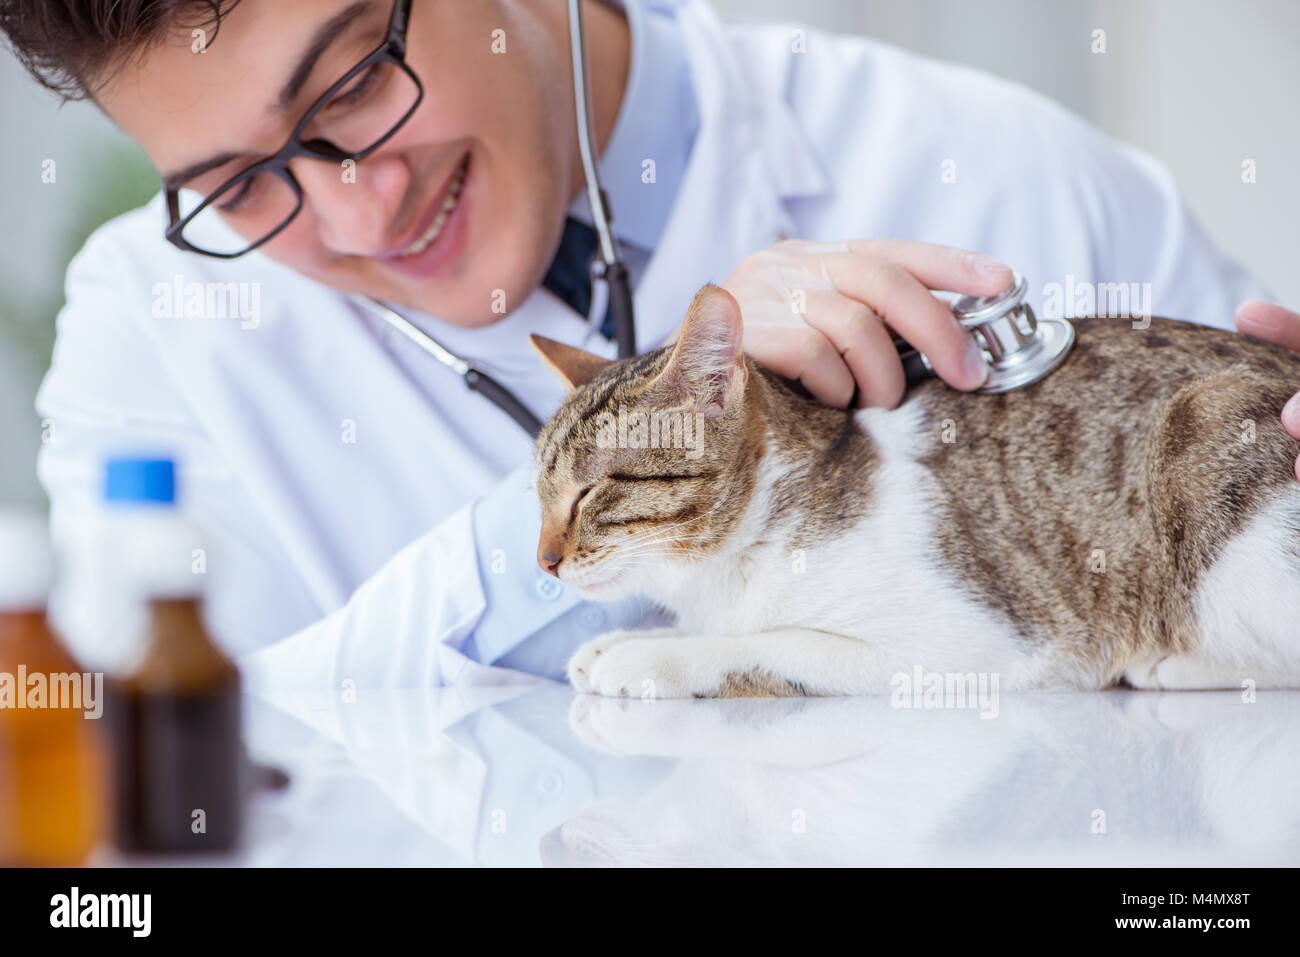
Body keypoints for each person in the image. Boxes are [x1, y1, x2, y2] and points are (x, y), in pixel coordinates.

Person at [3, 0, 1297, 691]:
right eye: (241, 184)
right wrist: (557, 522)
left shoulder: (1004, 174)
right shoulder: (157, 320)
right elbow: (151, 785)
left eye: (351, 85)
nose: (359, 205)